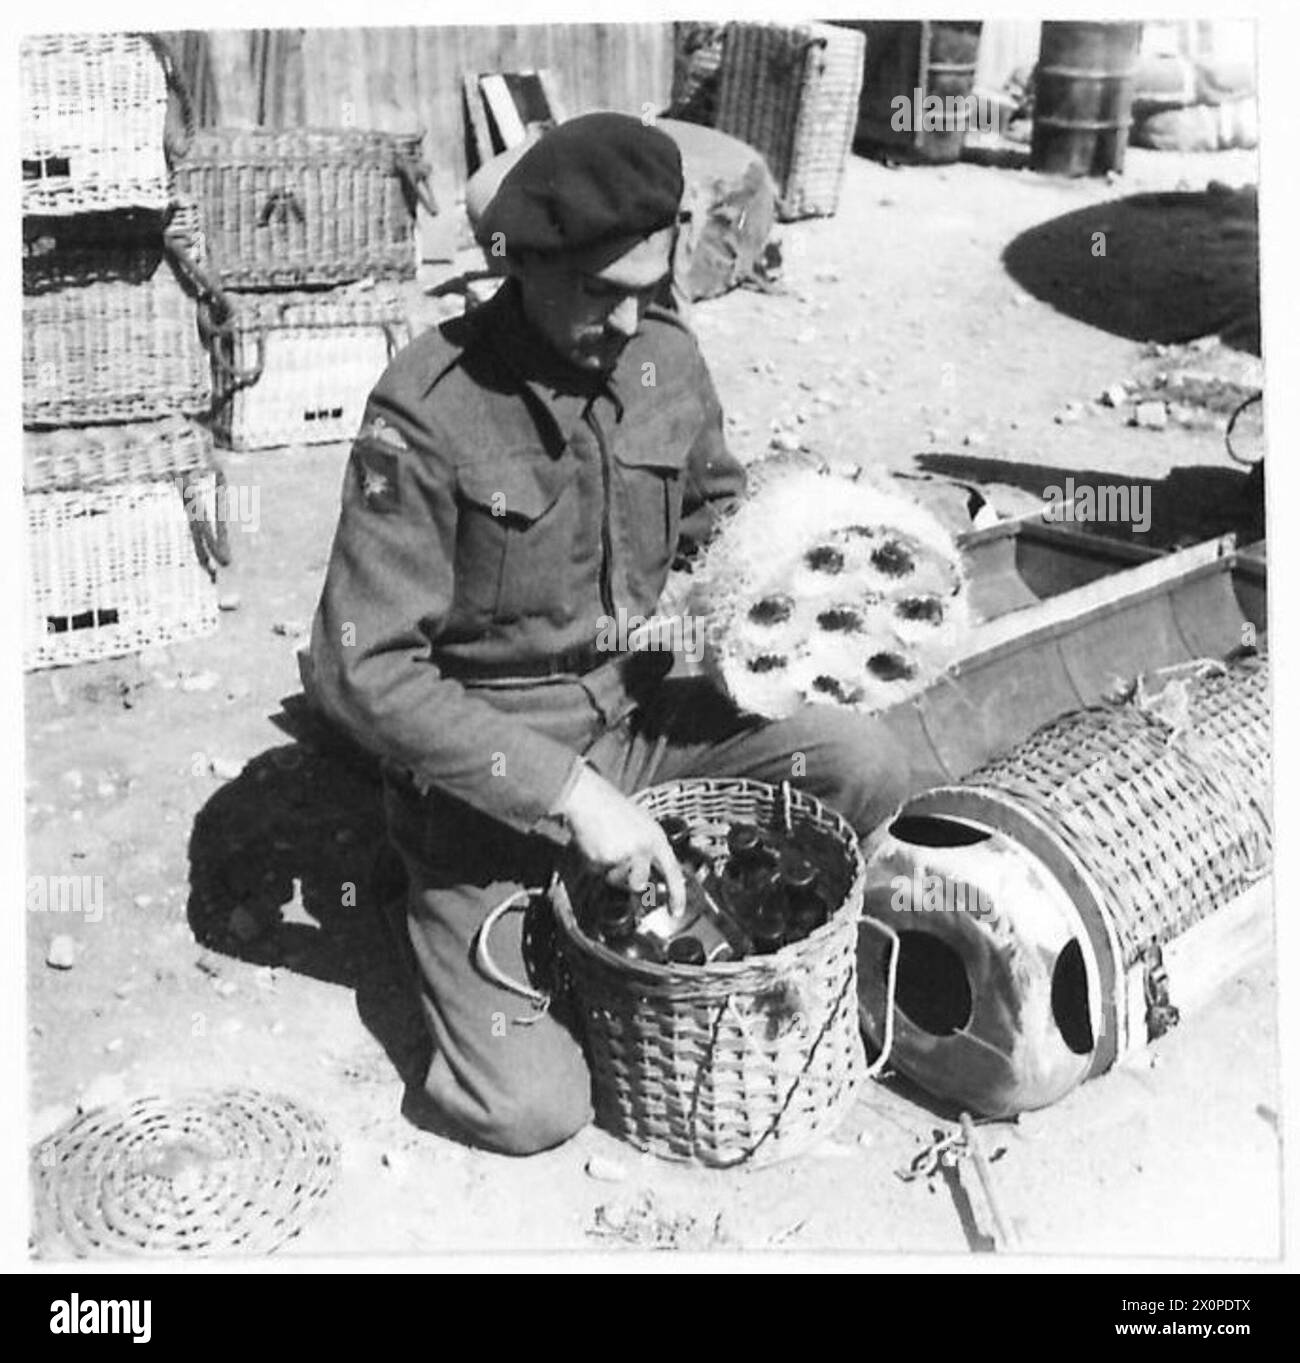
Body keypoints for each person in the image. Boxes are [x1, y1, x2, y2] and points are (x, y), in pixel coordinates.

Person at [307, 112, 916, 1155]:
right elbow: (361, 670)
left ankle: (652, 914)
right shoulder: (426, 411)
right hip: (491, 770)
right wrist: (569, 796)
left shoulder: (661, 357)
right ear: (528, 266)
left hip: (642, 716)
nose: (630, 321)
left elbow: (718, 515)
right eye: (600, 293)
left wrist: (818, 547)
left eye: (650, 288)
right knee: (530, 1108)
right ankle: (465, 906)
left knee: (862, 762)